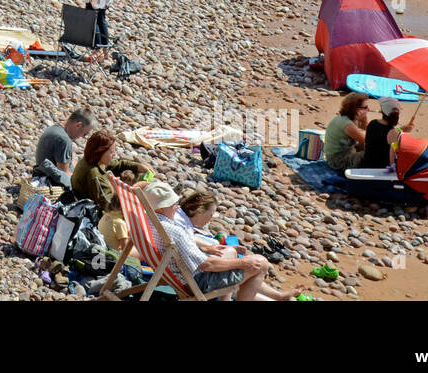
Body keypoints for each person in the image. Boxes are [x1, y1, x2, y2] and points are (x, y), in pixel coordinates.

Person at [143, 181, 292, 300]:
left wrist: (207, 249)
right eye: (172, 204)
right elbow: (207, 265)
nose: (177, 207)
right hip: (196, 282)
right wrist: (243, 263)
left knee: (229, 251)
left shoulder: (151, 221)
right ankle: (273, 295)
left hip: (176, 274)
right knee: (260, 263)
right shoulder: (174, 230)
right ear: (161, 208)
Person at [69, 130, 147, 213]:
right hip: (93, 213)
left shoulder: (90, 160)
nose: (114, 155)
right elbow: (110, 206)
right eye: (111, 152)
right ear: (100, 152)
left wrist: (137, 166)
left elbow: (115, 165)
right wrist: (132, 192)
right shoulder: (95, 176)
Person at [324, 92, 370, 171]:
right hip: (338, 160)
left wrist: (364, 120)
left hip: (345, 152)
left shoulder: (351, 117)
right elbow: (368, 140)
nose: (368, 110)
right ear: (356, 109)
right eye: (365, 107)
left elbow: (370, 130)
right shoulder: (347, 124)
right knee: (375, 153)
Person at [363, 98, 410, 168]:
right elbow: (393, 159)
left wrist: (401, 129)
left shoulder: (372, 123)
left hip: (368, 164)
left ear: (382, 112)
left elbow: (387, 132)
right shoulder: (394, 133)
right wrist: (401, 130)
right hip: (382, 168)